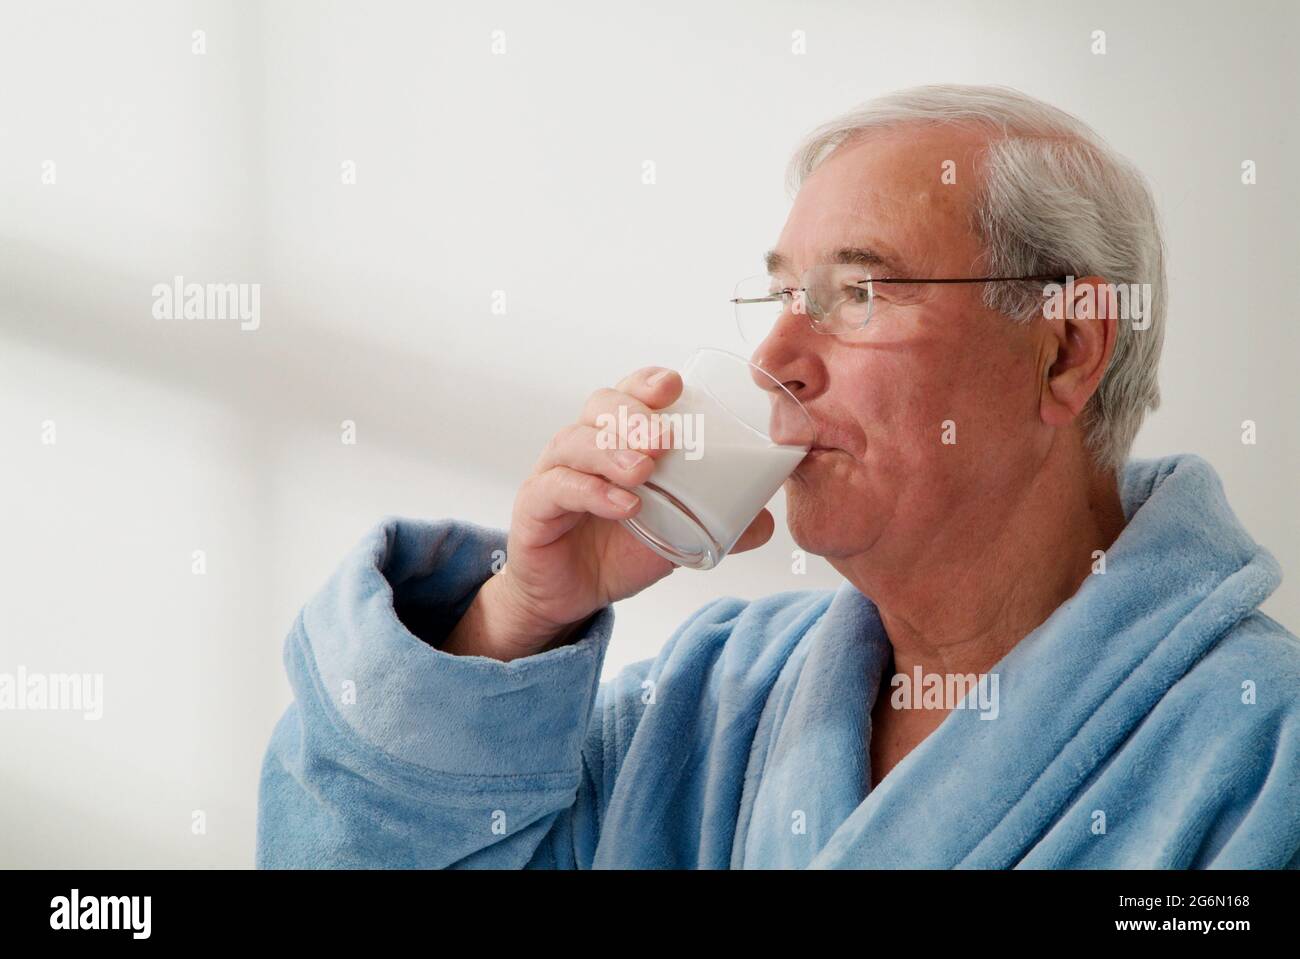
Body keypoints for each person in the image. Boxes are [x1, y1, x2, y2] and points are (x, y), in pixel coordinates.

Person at [256, 84, 1300, 868]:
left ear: (1065, 348)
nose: (773, 363)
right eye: (782, 297)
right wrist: (518, 613)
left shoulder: (1262, 756)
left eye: (858, 293)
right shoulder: (714, 700)